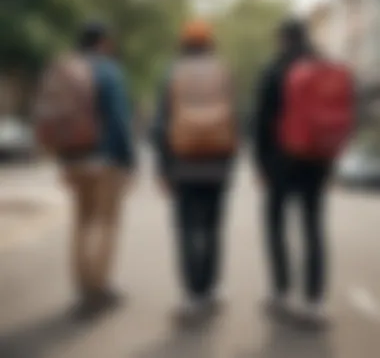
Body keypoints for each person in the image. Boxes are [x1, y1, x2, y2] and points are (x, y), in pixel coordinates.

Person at [253, 19, 353, 324]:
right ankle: (314, 301)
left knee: (276, 224)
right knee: (313, 227)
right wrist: (331, 160)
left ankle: (281, 292)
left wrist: (261, 164)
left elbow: (260, 120)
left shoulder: (275, 69)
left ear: (282, 38)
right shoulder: (326, 68)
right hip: (318, 160)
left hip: (282, 161)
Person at [36, 22, 135, 315]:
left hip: (73, 158)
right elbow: (118, 119)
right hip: (105, 160)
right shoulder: (108, 71)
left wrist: (62, 158)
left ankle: (81, 287)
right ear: (103, 42)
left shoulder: (67, 69)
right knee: (105, 222)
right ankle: (99, 288)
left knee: (81, 222)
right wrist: (128, 161)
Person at [152, 20, 237, 312]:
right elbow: (235, 120)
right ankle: (210, 289)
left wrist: (163, 168)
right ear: (210, 43)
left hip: (183, 164)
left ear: (183, 44)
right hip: (216, 164)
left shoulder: (171, 74)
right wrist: (231, 164)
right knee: (213, 228)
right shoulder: (224, 72)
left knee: (186, 228)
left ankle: (191, 294)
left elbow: (160, 125)